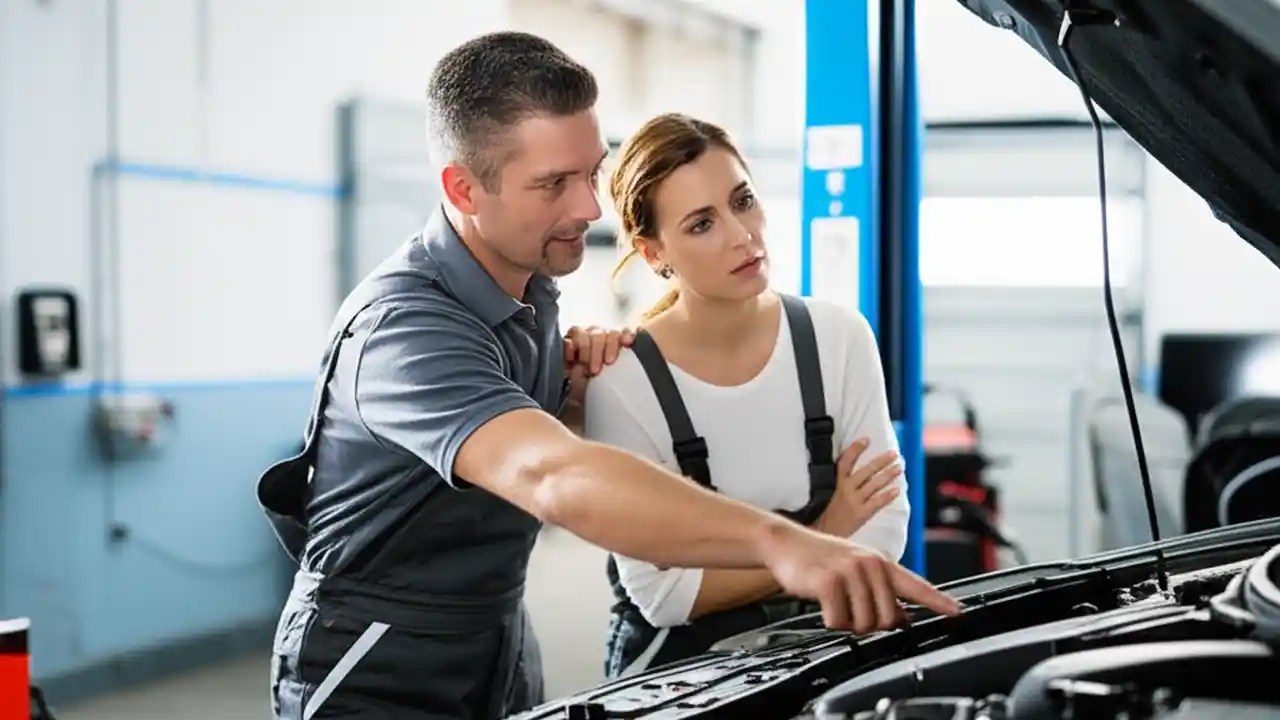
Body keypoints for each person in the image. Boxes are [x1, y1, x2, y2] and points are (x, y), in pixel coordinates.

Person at [256, 31, 961, 720]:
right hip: (377, 664)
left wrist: (568, 386)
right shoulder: (406, 331)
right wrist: (790, 542)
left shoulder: (530, 294)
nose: (591, 208)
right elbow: (552, 476)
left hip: (497, 642)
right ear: (463, 188)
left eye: (590, 171)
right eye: (553, 184)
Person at [584, 113, 914, 677]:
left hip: (830, 650)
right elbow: (662, 598)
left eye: (743, 201)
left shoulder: (839, 337)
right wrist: (828, 532)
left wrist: (717, 570)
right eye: (700, 224)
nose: (742, 235)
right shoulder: (623, 381)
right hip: (679, 678)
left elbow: (884, 533)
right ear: (652, 251)